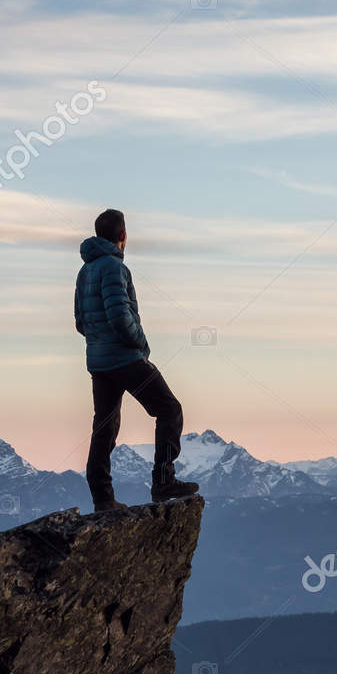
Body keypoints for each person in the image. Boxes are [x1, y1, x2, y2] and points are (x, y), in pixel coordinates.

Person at [75, 209, 198, 509]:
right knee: (170, 410)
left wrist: (98, 342)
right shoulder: (115, 269)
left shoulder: (86, 271)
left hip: (99, 362)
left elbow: (80, 321)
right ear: (123, 236)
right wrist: (139, 343)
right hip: (125, 358)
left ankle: (103, 499)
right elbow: (120, 315)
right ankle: (163, 481)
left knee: (104, 426)